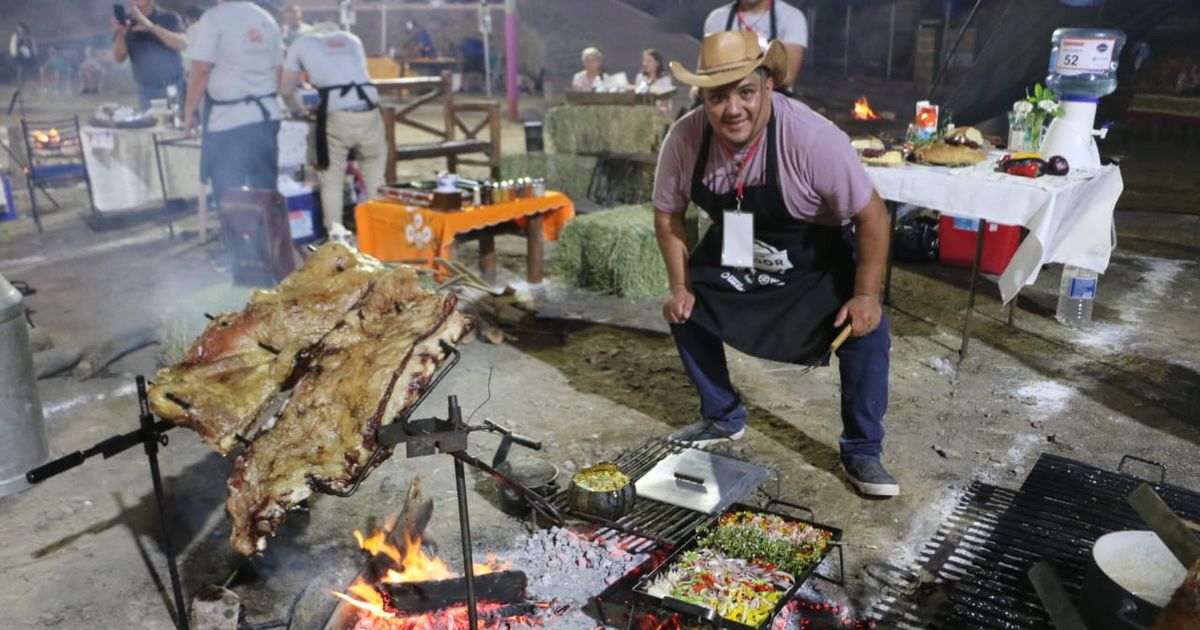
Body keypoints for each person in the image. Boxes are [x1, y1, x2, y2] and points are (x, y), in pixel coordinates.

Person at [652, 31, 896, 497]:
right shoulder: (684, 139)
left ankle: (863, 449)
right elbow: (668, 213)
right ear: (701, 96)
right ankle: (722, 416)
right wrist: (679, 284)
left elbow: (873, 216)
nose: (733, 109)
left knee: (866, 330)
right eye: (717, 97)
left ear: (769, 86)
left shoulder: (813, 138)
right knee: (687, 306)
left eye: (745, 91)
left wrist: (865, 296)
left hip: (811, 250)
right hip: (741, 238)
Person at [280, 22, 385, 243]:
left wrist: (297, 111)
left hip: (336, 113)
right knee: (374, 175)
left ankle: (337, 238)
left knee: (331, 178)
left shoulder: (301, 43)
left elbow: (286, 89)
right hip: (369, 109)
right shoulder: (352, 39)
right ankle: (379, 235)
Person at [182, 0, 284, 206]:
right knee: (266, 191)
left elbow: (201, 69)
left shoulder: (213, 18)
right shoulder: (266, 19)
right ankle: (269, 237)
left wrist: (188, 111)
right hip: (266, 117)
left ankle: (239, 239)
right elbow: (278, 70)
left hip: (229, 122)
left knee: (230, 194)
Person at [703, 0, 807, 91]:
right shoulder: (717, 19)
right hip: (725, 93)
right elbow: (707, 70)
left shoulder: (791, 17)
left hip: (773, 96)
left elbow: (787, 77)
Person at [112, 0, 188, 111]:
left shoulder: (168, 17)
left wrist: (150, 27)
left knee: (176, 124)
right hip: (145, 89)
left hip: (173, 86)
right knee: (149, 126)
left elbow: (182, 44)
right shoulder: (127, 21)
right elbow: (119, 57)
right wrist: (121, 34)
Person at [9, 23, 39, 91]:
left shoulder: (29, 38)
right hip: (19, 58)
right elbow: (13, 47)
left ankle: (33, 89)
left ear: (25, 29)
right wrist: (15, 57)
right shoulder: (15, 37)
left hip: (29, 58)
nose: (20, 30)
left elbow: (33, 48)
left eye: (21, 29)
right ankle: (20, 89)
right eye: (19, 29)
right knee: (20, 73)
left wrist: (34, 56)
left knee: (30, 73)